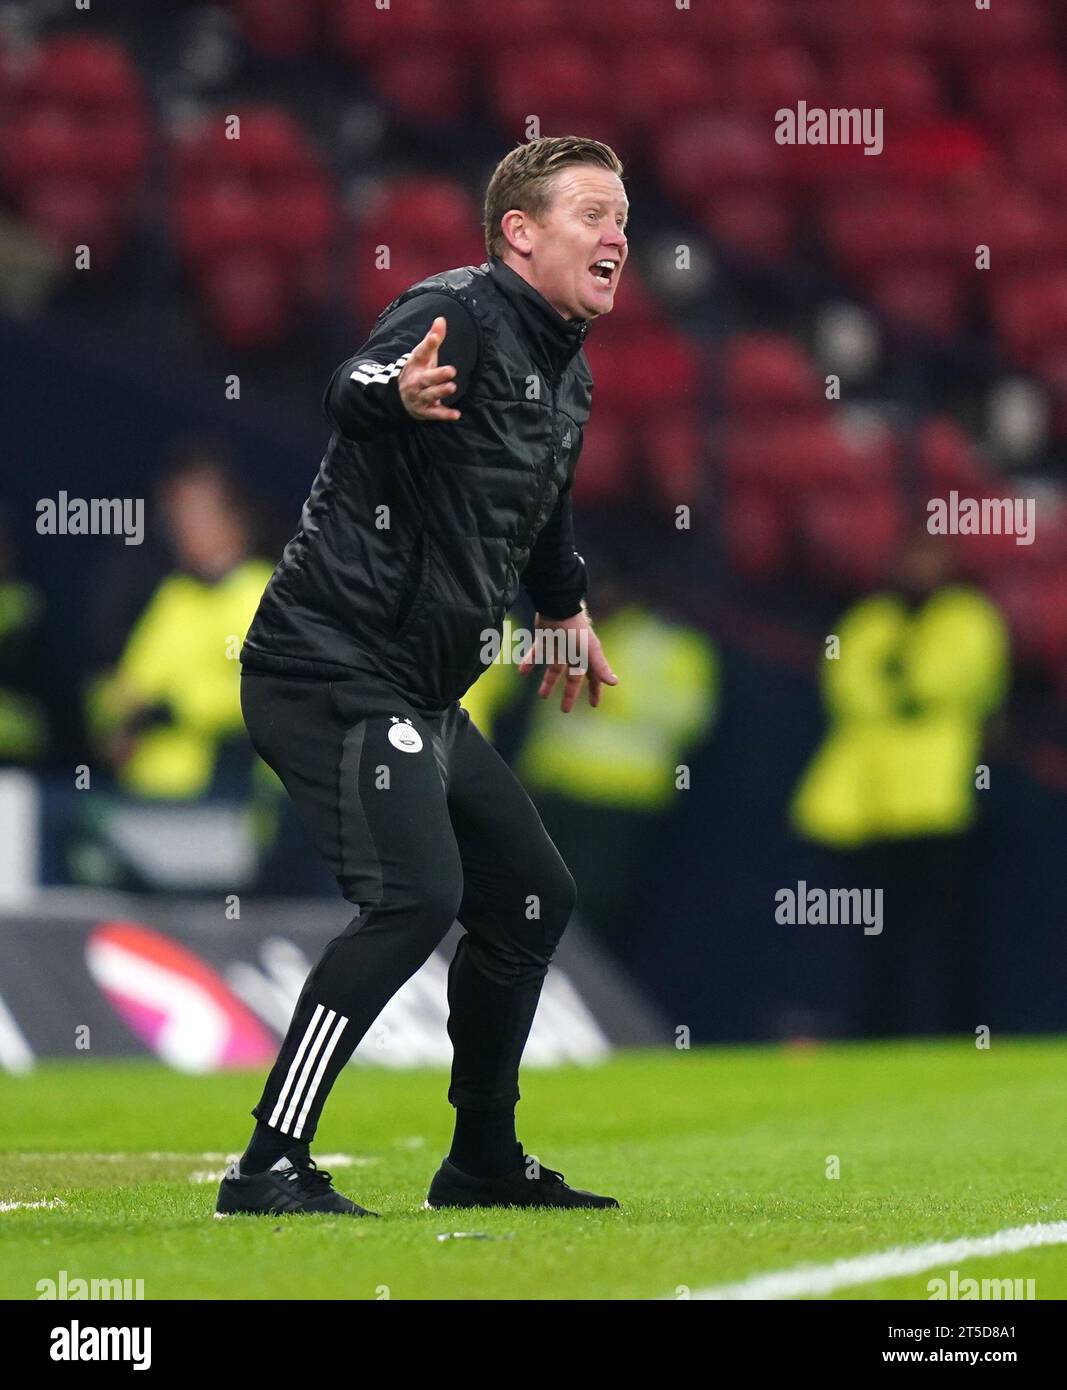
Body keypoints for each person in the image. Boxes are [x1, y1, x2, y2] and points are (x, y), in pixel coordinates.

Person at [217, 136, 627, 1217]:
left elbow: (539, 501)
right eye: (590, 213)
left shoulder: (565, 366)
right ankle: (267, 1164)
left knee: (533, 896)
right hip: (328, 662)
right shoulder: (453, 311)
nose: (615, 234)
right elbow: (346, 387)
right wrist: (394, 390)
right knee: (413, 898)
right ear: (518, 234)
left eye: (620, 215)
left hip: (421, 690)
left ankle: (481, 1160)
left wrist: (562, 602)